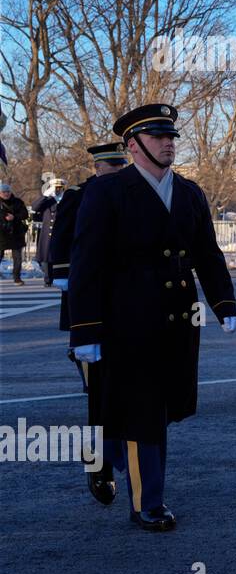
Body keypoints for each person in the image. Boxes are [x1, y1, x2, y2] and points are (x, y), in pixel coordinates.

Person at [67, 103, 236, 530]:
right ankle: (149, 502)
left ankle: (101, 453)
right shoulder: (107, 192)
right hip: (126, 323)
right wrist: (84, 329)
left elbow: (207, 254)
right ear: (133, 145)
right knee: (143, 414)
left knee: (158, 409)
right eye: (159, 137)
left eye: (171, 137)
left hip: (178, 323)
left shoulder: (189, 192)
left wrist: (223, 303)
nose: (169, 143)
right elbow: (86, 263)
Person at [48, 141, 129, 504]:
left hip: (127, 306)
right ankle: (99, 464)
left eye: (120, 165)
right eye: (110, 167)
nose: (115, 171)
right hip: (88, 310)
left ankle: (124, 457)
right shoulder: (79, 195)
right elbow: (62, 248)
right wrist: (71, 288)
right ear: (97, 168)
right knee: (97, 393)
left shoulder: (134, 192)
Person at [31, 178, 66, 286]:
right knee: (46, 257)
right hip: (47, 233)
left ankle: (58, 277)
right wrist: (45, 196)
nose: (58, 190)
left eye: (60, 187)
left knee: (59, 256)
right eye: (56, 188)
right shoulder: (47, 200)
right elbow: (35, 207)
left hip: (61, 232)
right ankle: (48, 279)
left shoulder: (66, 198)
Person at [0, 182, 29, 283]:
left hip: (16, 233)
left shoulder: (17, 202)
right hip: (2, 233)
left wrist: (14, 217)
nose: (6, 194)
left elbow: (25, 214)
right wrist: (4, 218)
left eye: (8, 191)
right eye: (3, 192)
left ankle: (17, 277)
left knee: (17, 258)